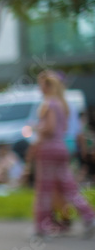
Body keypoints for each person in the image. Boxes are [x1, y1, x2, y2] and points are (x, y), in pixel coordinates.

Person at [25, 71, 95, 237]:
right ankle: (90, 217)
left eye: (41, 85)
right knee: (69, 187)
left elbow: (49, 128)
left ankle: (42, 225)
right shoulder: (62, 104)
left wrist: (36, 127)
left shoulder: (49, 104)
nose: (40, 89)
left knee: (44, 189)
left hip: (48, 149)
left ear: (47, 86)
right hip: (61, 147)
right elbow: (64, 128)